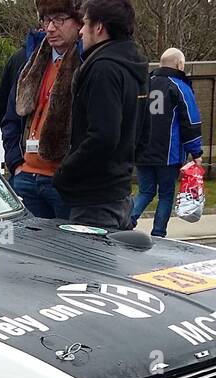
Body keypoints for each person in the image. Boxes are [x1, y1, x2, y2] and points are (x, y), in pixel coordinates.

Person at [52, 0, 148, 229]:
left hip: (94, 202)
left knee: (87, 264)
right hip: (120, 194)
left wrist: (64, 172)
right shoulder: (136, 68)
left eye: (85, 23)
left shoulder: (103, 69)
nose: (81, 31)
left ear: (99, 27)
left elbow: (103, 136)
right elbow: (144, 134)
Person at [2, 0, 84, 217]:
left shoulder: (89, 64)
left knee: (67, 250)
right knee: (23, 250)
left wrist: (69, 172)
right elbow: (10, 118)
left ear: (79, 23)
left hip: (63, 183)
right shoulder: (29, 63)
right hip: (25, 178)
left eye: (59, 20)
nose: (50, 28)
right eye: (47, 20)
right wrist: (15, 162)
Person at [131, 47, 203, 237]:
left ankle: (127, 221)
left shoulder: (144, 84)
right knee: (165, 194)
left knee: (145, 192)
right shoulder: (180, 87)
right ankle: (158, 234)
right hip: (168, 153)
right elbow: (191, 122)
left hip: (141, 150)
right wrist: (196, 153)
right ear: (179, 64)